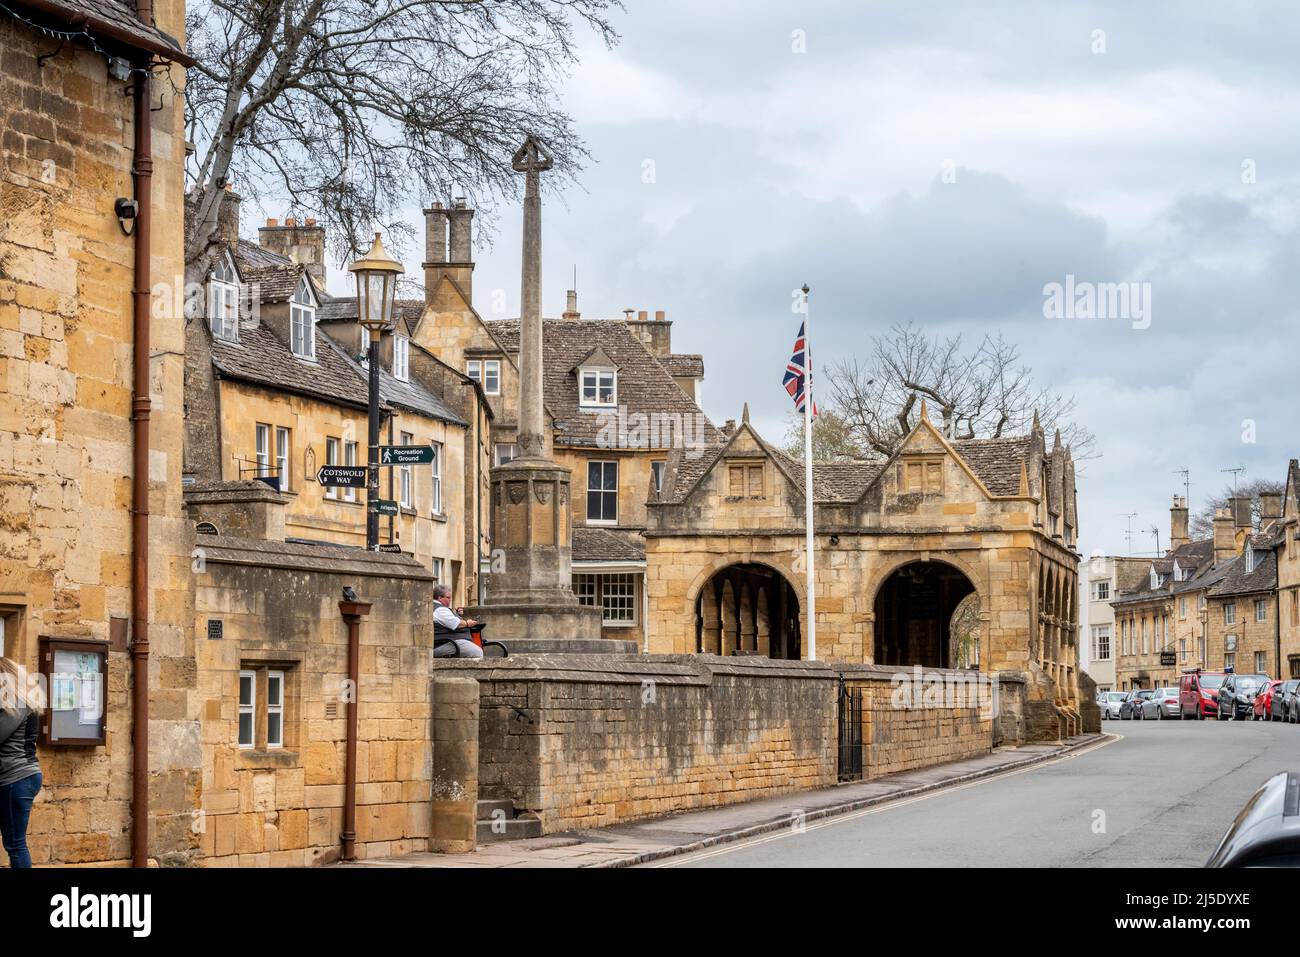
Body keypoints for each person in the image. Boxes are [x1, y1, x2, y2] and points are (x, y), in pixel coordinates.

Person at [0, 657, 43, 868]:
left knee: (15, 844)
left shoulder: (16, 706)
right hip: (20, 777)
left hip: (16, 778)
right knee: (14, 843)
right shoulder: (20, 703)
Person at [432, 584, 483, 658]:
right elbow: (456, 624)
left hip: (447, 641)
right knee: (476, 652)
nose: (450, 600)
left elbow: (449, 622)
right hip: (443, 643)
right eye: (448, 598)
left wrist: (458, 615)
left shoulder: (437, 608)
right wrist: (467, 623)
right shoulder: (439, 610)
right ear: (440, 598)